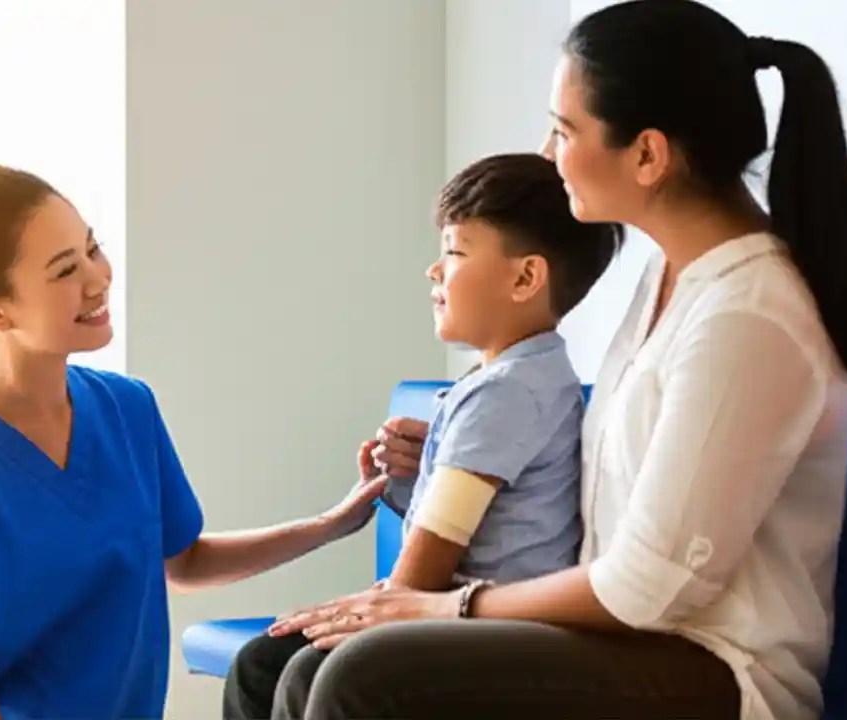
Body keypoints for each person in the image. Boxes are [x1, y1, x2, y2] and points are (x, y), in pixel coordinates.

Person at [263, 1, 847, 718]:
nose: (549, 154)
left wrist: (446, 606)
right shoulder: (673, 279)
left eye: (565, 129)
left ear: (647, 154)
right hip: (633, 643)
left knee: (364, 675)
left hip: (715, 672)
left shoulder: (749, 314)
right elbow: (639, 479)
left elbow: (646, 586)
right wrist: (458, 451)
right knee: (286, 663)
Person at [0, 144, 390, 720]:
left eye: (91, 248)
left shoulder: (127, 408)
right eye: (65, 270)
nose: (97, 278)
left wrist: (333, 523)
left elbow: (184, 562)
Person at [223, 153, 620, 719]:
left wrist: (360, 616)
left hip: (488, 626)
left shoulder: (504, 392)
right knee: (274, 661)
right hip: (476, 615)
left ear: (525, 277)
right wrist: (408, 481)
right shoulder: (527, 380)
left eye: (454, 252)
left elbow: (431, 561)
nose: (434, 271)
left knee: (281, 663)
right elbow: (475, 518)